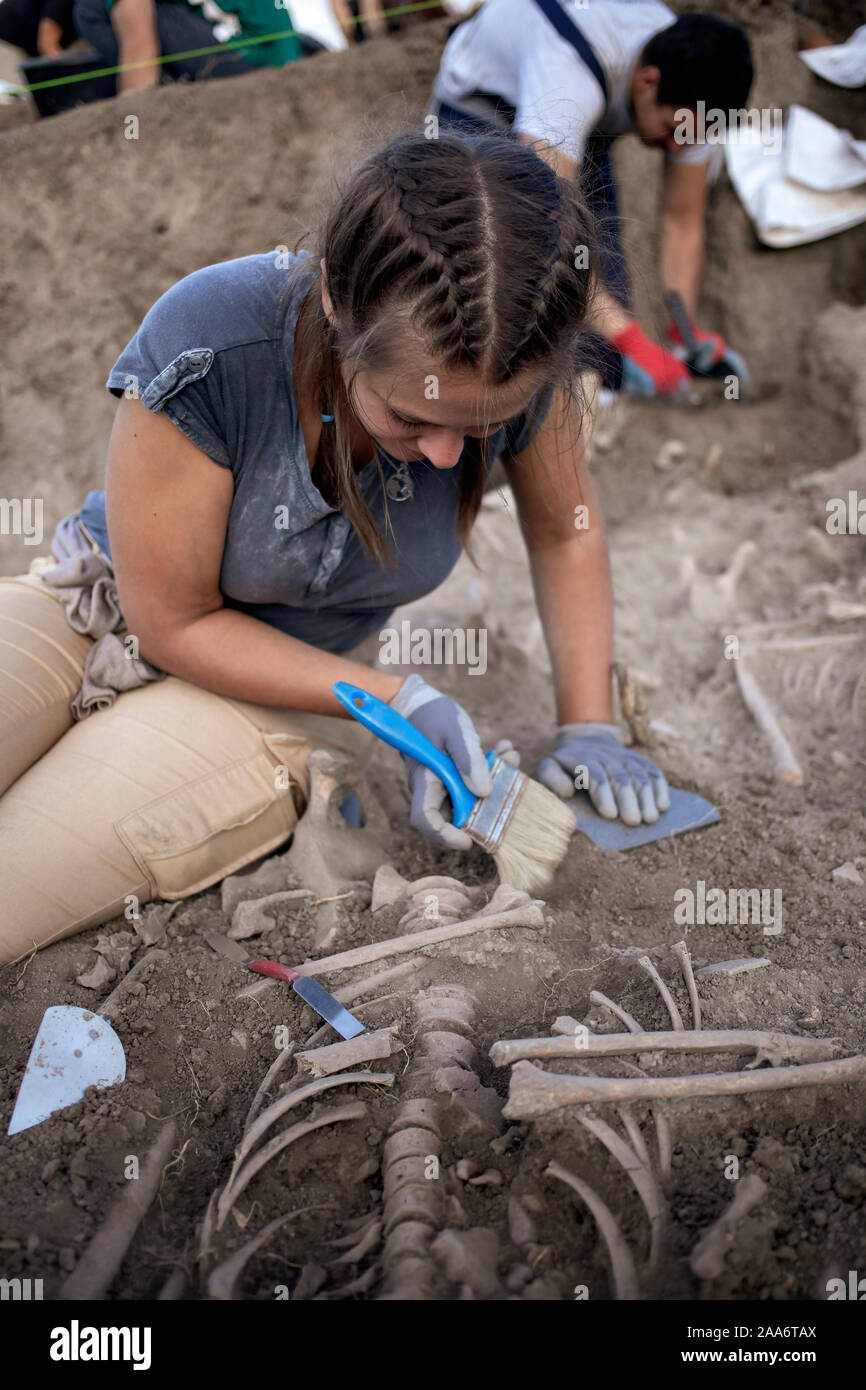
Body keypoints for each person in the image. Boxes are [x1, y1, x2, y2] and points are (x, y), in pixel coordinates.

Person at [0, 129, 670, 966]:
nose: (447, 456)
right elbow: (170, 622)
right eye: (411, 417)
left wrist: (589, 726)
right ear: (333, 299)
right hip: (94, 601)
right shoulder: (214, 340)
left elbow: (566, 538)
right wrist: (398, 700)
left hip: (281, 690)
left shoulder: (524, 362)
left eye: (483, 426)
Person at [430, 1, 753, 395]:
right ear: (647, 81)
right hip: (483, 108)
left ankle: (599, 398)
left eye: (690, 137)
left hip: (580, 117)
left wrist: (684, 331)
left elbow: (682, 220)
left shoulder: (696, 95)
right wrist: (632, 340)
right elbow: (541, 230)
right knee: (501, 277)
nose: (677, 148)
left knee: (604, 318)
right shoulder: (569, 76)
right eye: (671, 130)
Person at [73, 0, 300, 93]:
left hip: (251, 61)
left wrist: (131, 123)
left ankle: (165, 105)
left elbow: (141, 51)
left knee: (91, 9)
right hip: (275, 54)